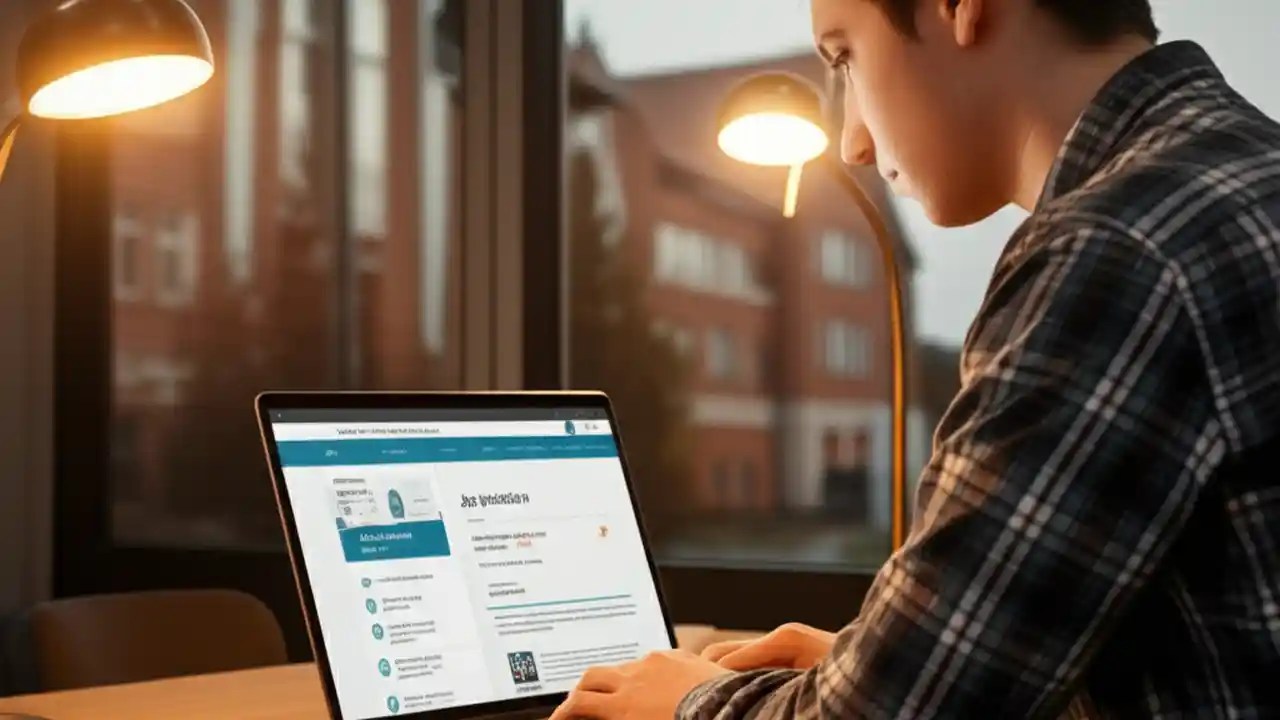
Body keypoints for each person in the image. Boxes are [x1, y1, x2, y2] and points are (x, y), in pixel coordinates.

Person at [550, 0, 1280, 717]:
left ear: (960, 9)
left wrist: (691, 702)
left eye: (845, 56)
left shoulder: (1117, 248)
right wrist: (891, 657)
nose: (851, 144)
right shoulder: (1235, 178)